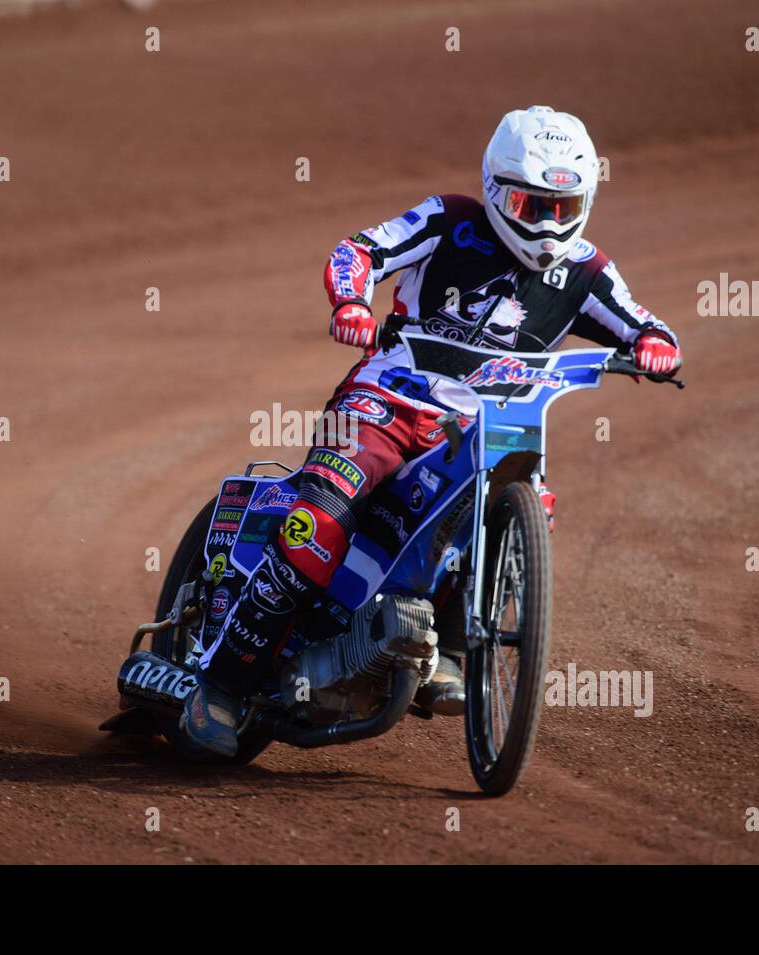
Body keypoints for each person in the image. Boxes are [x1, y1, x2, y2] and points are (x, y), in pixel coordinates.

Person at [182, 106, 682, 756]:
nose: (550, 226)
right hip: (381, 404)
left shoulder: (585, 271)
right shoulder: (451, 220)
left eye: (566, 206)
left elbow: (647, 324)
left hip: (479, 426)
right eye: (534, 204)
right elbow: (358, 250)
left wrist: (656, 347)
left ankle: (446, 645)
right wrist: (352, 303)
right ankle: (219, 685)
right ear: (499, 191)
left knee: (521, 498)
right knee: (319, 526)